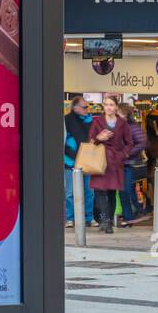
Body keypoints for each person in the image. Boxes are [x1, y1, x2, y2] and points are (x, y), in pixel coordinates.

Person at [87, 93, 137, 234]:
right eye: (106, 104)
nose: (108, 107)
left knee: (111, 192)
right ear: (103, 106)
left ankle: (107, 220)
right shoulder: (97, 122)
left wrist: (122, 155)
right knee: (99, 191)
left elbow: (129, 142)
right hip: (100, 160)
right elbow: (91, 141)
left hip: (115, 162)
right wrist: (99, 138)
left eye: (111, 105)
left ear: (116, 107)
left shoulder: (122, 123)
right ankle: (105, 221)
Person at [63, 95, 96, 228]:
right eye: (84, 107)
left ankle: (89, 217)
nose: (87, 109)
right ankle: (70, 218)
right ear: (75, 108)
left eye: (87, 107)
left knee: (89, 192)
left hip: (87, 160)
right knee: (70, 192)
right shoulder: (66, 120)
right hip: (71, 160)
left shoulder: (90, 121)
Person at [119, 103, 149, 225]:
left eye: (118, 114)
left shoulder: (132, 127)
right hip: (120, 163)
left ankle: (137, 211)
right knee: (123, 190)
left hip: (130, 163)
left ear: (125, 115)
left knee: (126, 189)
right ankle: (129, 217)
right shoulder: (118, 126)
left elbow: (143, 142)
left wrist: (128, 153)